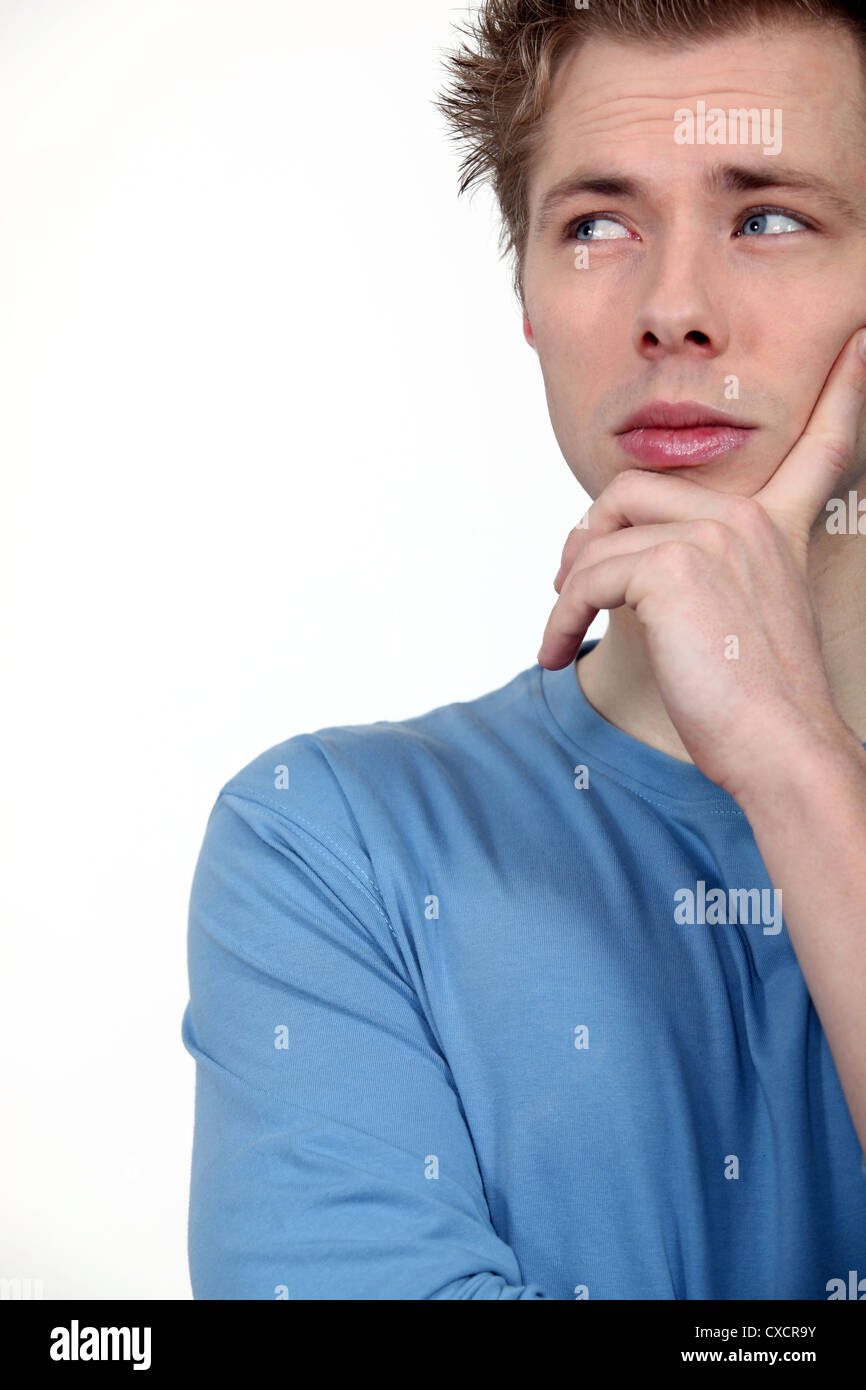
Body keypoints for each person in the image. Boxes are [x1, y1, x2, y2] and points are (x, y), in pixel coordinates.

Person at [181, 0, 866, 1299]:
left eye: (765, 214)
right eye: (596, 224)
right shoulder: (330, 844)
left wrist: (798, 770)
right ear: (527, 302)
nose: (671, 310)